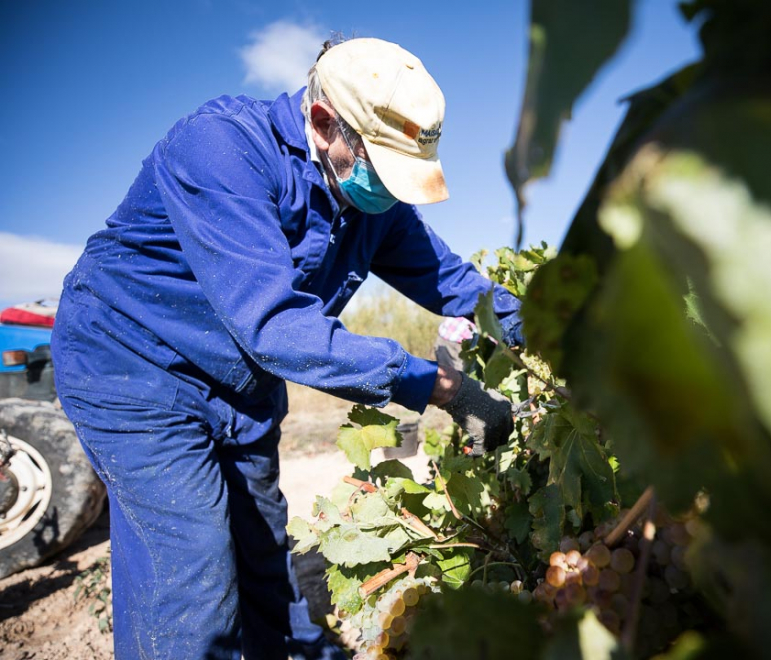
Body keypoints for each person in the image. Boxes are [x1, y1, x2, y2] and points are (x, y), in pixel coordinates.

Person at [51, 37, 523, 660]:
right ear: (324, 123)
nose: (390, 193)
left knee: (263, 549)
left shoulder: (371, 205)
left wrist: (547, 330)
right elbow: (276, 326)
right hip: (132, 370)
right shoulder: (221, 149)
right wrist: (445, 388)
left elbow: (453, 283)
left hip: (240, 386)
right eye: (383, 171)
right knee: (191, 571)